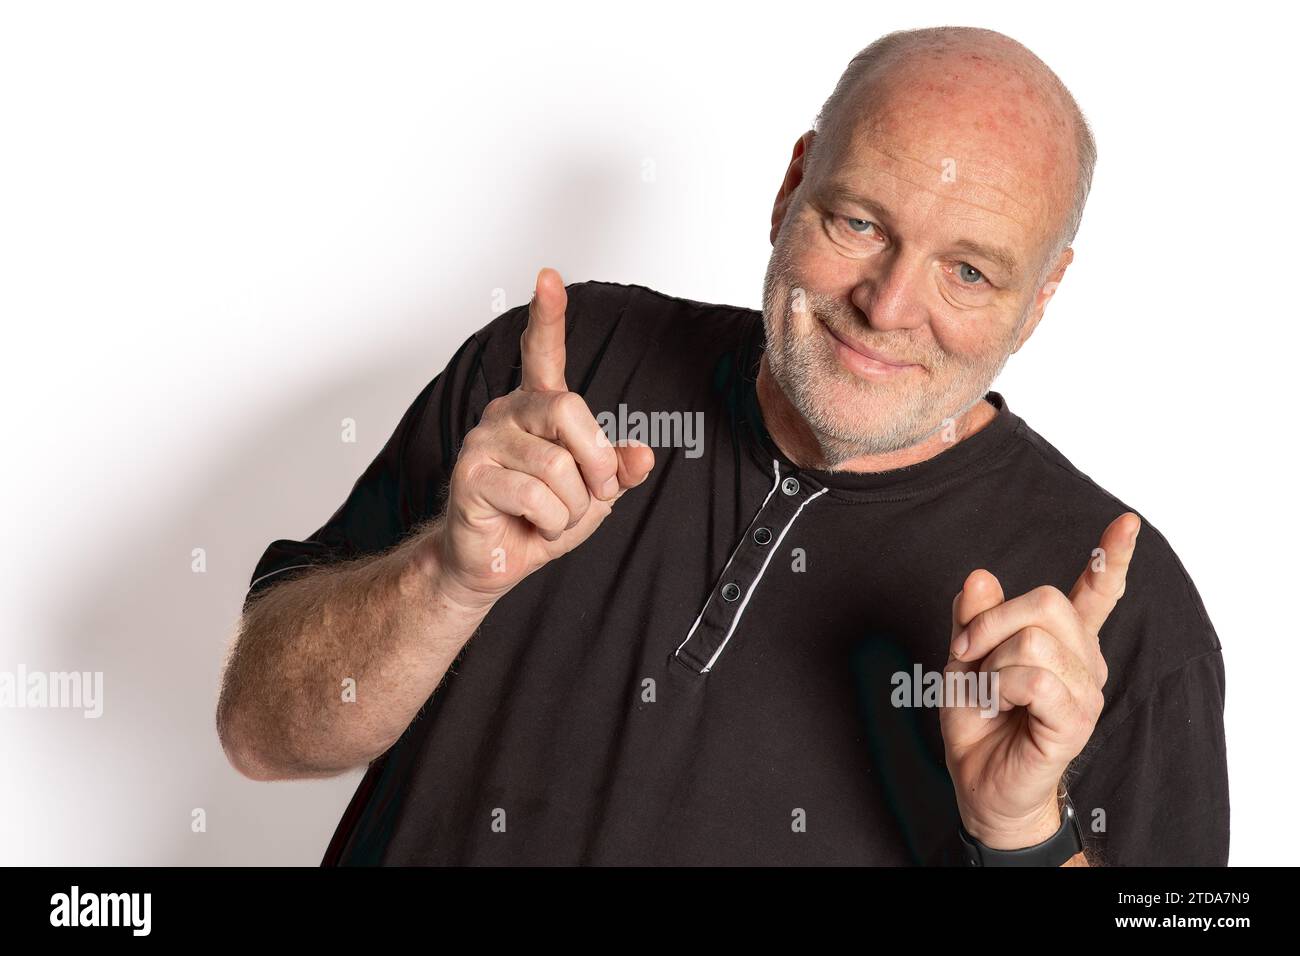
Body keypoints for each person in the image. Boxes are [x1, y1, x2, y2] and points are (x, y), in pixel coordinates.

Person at [217, 26, 1229, 866]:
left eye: (967, 270)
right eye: (860, 221)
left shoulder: (1123, 612)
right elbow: (258, 728)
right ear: (793, 183)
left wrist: (1024, 834)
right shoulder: (562, 374)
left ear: (1040, 296)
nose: (886, 305)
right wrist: (444, 576)